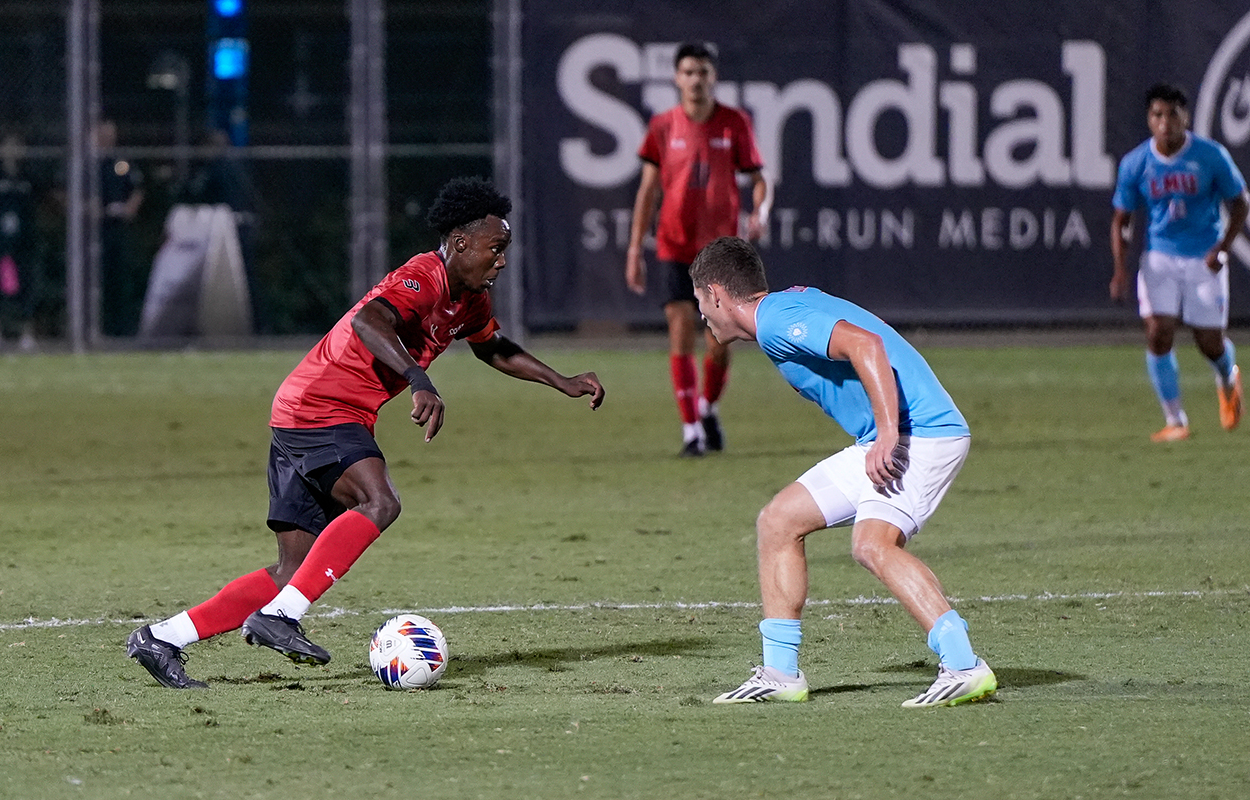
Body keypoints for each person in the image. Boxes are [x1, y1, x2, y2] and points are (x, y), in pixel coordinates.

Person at [126, 177, 606, 689]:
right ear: (460, 244)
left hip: (303, 411)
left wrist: (562, 381)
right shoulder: (425, 276)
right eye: (495, 248)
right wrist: (420, 380)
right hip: (322, 406)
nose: (501, 261)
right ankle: (279, 618)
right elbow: (370, 322)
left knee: (292, 572)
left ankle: (162, 637)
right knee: (380, 502)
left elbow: (493, 347)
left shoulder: (469, 300)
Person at [689, 237, 995, 708]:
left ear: (716, 294)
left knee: (872, 545)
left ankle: (964, 665)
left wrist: (890, 434)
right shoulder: (784, 309)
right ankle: (780, 673)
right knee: (779, 521)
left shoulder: (775, 320)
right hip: (889, 434)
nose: (702, 317)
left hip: (921, 433)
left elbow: (865, 344)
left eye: (700, 303)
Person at [625, 42, 770, 457]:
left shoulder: (733, 123)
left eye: (703, 72)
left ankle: (708, 407)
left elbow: (759, 178)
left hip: (720, 252)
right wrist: (635, 249)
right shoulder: (662, 126)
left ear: (713, 77)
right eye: (688, 72)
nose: (696, 79)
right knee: (680, 329)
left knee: (720, 341)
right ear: (676, 78)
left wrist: (760, 209)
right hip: (674, 243)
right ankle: (691, 431)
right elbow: (648, 191)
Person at [1110, 83, 1250, 442]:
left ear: (1185, 117)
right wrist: (1121, 270)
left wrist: (1222, 247)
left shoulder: (1210, 156)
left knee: (1209, 343)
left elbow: (1240, 202)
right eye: (1158, 114)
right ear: (1149, 119)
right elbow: (1121, 220)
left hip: (1204, 258)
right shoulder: (1136, 162)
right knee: (1158, 333)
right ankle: (1175, 420)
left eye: (1173, 114)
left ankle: (1227, 377)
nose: (1166, 122)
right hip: (1160, 257)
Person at [0, 135, 40, 354]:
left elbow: (36, 207)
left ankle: (27, 333)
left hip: (23, 242)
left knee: (26, 285)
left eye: (17, 147)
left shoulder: (28, 178)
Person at [97, 119, 146, 337]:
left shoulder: (122, 161)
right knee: (98, 279)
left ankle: (122, 329)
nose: (109, 138)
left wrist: (129, 208)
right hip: (95, 229)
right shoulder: (87, 161)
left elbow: (137, 188)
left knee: (121, 278)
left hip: (118, 227)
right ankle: (97, 327)